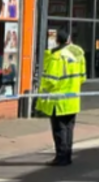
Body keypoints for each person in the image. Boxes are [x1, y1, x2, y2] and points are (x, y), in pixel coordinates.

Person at [36, 28, 86, 166]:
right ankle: (67, 155)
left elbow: (50, 80)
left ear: (57, 41)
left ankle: (61, 157)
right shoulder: (78, 55)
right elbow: (82, 78)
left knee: (59, 130)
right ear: (69, 40)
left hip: (58, 101)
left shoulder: (56, 57)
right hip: (73, 99)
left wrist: (42, 92)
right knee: (69, 129)